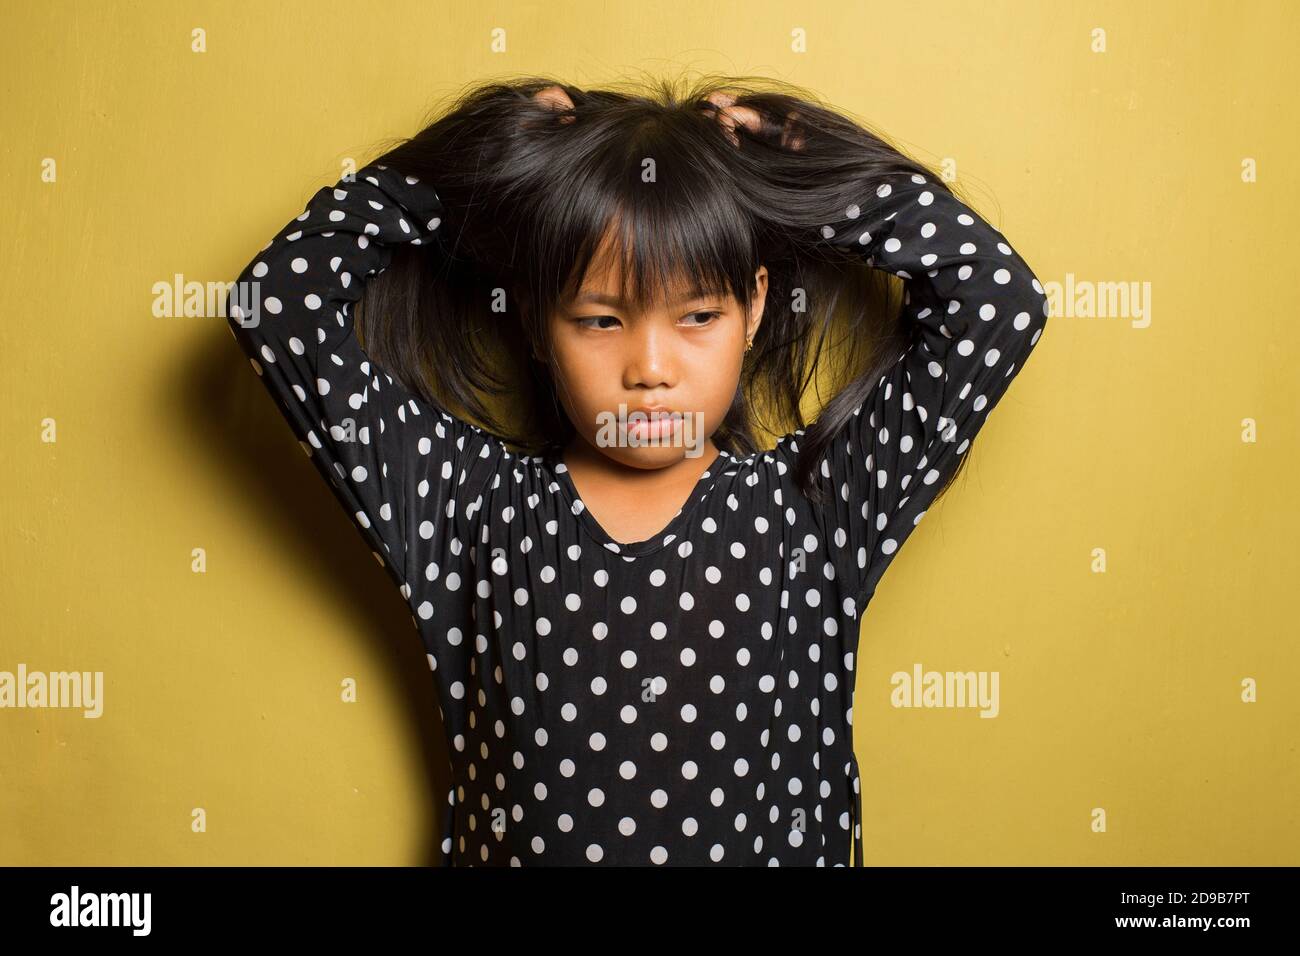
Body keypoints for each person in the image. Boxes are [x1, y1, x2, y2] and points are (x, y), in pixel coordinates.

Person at [224, 75, 1050, 866]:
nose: (650, 368)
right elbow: (278, 302)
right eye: (600, 319)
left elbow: (998, 300)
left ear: (755, 306)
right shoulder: (469, 509)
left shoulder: (816, 510)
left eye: (698, 315)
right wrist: (473, 156)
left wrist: (810, 161)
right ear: (536, 319)